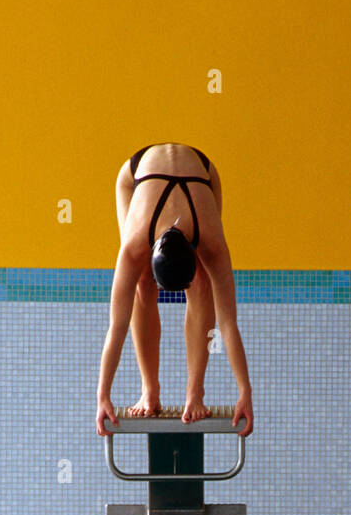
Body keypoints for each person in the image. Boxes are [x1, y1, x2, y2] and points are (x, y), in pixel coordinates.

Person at [96, 142, 254, 436]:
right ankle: (149, 390)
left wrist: (245, 391)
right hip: (137, 175)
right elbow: (116, 325)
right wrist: (103, 395)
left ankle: (196, 392)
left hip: (203, 172)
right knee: (142, 284)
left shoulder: (213, 244)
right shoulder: (134, 248)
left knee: (203, 285)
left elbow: (228, 322)